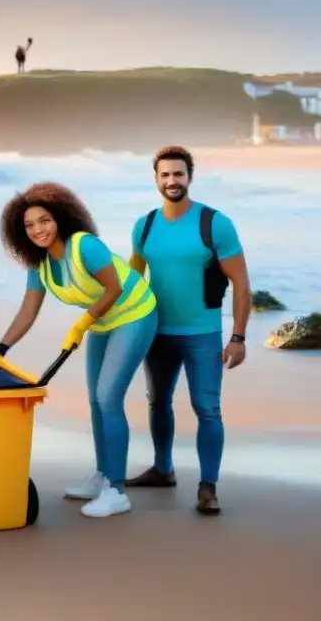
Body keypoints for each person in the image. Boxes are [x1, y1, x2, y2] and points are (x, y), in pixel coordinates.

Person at [0, 182, 158, 518]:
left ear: (60, 219)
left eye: (44, 220)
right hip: (102, 323)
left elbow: (115, 288)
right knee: (95, 398)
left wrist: (82, 323)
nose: (38, 229)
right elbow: (28, 310)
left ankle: (117, 491)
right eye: (29, 225)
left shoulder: (84, 246)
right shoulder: (39, 265)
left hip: (135, 314)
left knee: (109, 397)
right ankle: (102, 475)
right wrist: (2, 349)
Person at [125, 146, 250, 515]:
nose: (171, 181)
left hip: (202, 335)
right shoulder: (144, 226)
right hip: (157, 334)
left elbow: (241, 283)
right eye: (164, 175)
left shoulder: (214, 223)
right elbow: (132, 282)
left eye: (178, 174)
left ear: (189, 177)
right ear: (155, 179)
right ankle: (163, 469)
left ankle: (208, 487)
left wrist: (238, 337)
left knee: (207, 408)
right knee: (157, 402)